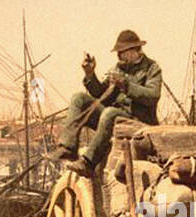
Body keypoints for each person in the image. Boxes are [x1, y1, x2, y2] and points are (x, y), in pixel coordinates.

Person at [51, 29, 161, 177]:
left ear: (134, 51)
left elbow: (152, 96)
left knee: (109, 112)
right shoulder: (118, 68)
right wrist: (90, 74)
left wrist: (127, 86)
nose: (119, 56)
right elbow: (101, 95)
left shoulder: (152, 68)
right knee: (79, 98)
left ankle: (88, 163)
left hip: (138, 121)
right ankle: (67, 148)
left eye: (122, 52)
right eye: (119, 52)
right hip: (112, 119)